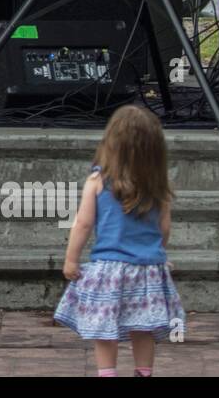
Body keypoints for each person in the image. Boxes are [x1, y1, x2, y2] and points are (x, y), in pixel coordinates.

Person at [55, 104, 185, 377]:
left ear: (111, 142)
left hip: (109, 269)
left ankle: (107, 373)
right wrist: (158, 253)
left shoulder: (97, 180)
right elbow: (164, 226)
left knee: (104, 327)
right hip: (148, 269)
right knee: (144, 326)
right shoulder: (157, 185)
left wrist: (71, 259)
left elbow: (83, 223)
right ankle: (143, 373)